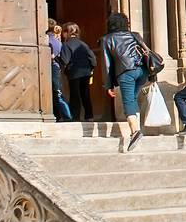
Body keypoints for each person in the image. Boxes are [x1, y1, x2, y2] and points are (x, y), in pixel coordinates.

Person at [100, 12, 151, 151]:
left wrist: (108, 85)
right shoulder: (135, 35)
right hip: (142, 71)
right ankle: (138, 128)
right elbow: (147, 51)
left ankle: (135, 132)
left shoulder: (107, 39)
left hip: (126, 72)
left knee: (128, 101)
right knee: (133, 99)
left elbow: (107, 65)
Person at [59, 22, 97, 121]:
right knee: (85, 94)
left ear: (66, 32)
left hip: (74, 73)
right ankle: (89, 116)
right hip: (86, 72)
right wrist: (91, 68)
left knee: (75, 95)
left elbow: (65, 60)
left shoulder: (66, 45)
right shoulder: (83, 44)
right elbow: (93, 58)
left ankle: (75, 117)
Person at [47, 20, 71, 123]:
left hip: (52, 68)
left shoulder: (49, 41)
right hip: (56, 68)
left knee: (56, 93)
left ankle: (67, 116)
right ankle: (59, 115)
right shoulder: (57, 41)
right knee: (55, 93)